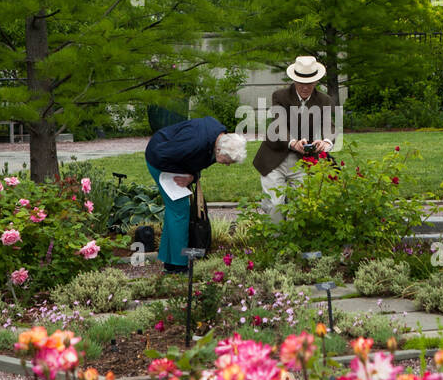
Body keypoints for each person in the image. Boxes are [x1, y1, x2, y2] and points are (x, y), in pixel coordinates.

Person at [144, 117, 246, 273]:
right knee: (180, 210)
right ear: (219, 150)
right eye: (227, 161)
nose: (226, 165)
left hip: (172, 156)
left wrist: (192, 176)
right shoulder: (195, 144)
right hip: (159, 159)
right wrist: (186, 174)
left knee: (176, 210)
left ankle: (170, 262)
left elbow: (198, 161)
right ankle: (178, 266)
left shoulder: (220, 137)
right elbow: (165, 155)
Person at [252, 55, 338, 221]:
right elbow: (279, 124)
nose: (305, 87)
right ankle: (275, 242)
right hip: (275, 158)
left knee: (302, 205)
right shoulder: (280, 96)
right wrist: (293, 142)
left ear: (316, 82)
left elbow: (330, 126)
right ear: (294, 80)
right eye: (301, 83)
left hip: (303, 161)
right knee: (274, 206)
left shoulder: (324, 100)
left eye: (310, 83)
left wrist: (326, 142)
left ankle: (297, 244)